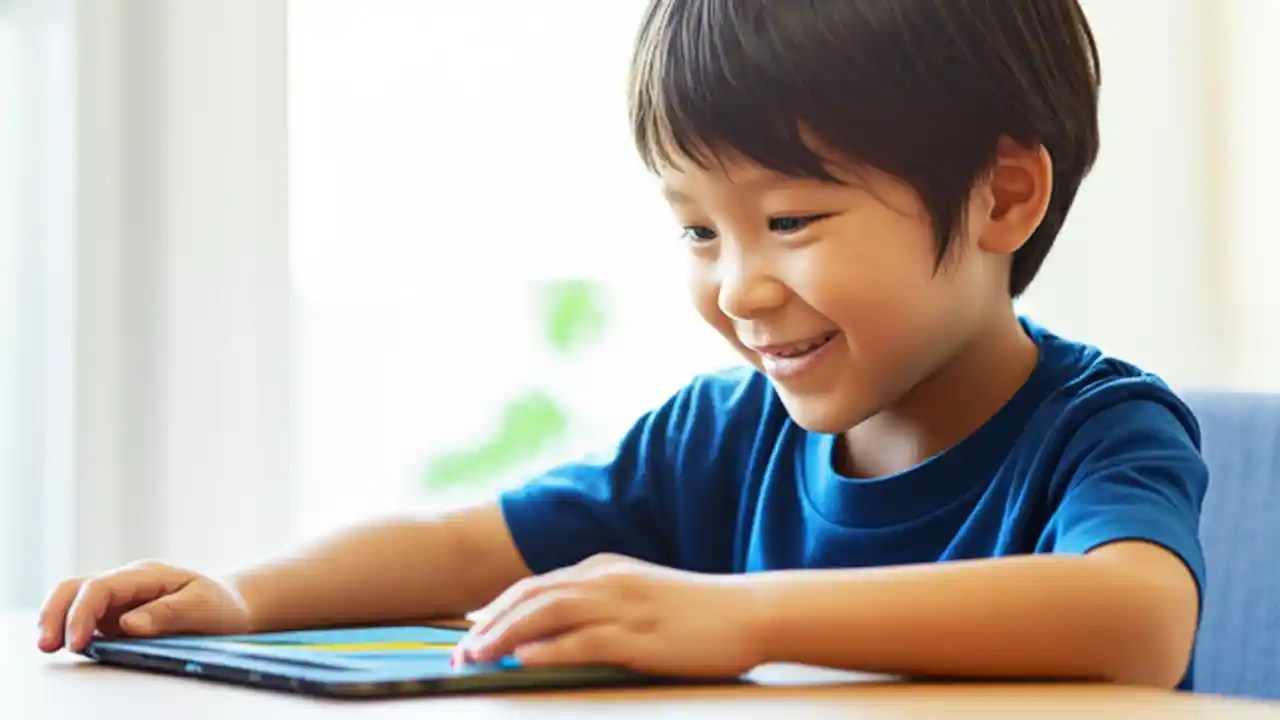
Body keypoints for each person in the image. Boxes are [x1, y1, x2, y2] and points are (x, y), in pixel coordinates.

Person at [37, 0, 1206, 690]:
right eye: (698, 229)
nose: (738, 286)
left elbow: (1136, 620)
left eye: (789, 220)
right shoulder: (717, 433)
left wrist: (736, 615)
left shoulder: (1098, 428)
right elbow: (459, 549)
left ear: (1003, 197)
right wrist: (243, 595)